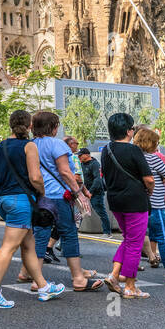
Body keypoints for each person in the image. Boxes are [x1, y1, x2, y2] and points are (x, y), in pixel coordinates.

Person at [0, 111, 64, 307]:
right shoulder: (29, 146)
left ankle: (43, 287)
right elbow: (35, 177)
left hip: (1, 200)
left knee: (28, 245)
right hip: (20, 200)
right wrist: (42, 193)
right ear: (30, 126)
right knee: (8, 247)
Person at [30, 111, 101, 292]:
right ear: (53, 127)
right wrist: (79, 193)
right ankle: (78, 278)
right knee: (69, 234)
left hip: (40, 197)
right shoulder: (57, 144)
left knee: (40, 236)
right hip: (59, 197)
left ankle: (36, 280)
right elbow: (64, 171)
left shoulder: (30, 145)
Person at [101, 112, 154, 299]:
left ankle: (114, 276)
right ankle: (130, 286)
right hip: (135, 201)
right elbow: (148, 179)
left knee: (129, 238)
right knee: (135, 243)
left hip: (115, 200)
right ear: (129, 131)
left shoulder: (106, 150)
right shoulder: (134, 151)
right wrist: (150, 191)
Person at [134, 127, 165, 282]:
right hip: (155, 204)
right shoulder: (153, 158)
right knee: (164, 238)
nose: (157, 144)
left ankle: (121, 272)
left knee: (134, 238)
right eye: (156, 142)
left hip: (137, 204)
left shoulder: (133, 158)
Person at [77, 148, 114, 238]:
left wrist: (90, 192)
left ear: (87, 155)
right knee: (81, 212)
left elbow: (97, 180)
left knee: (101, 212)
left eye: (80, 155)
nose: (79, 157)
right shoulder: (81, 164)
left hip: (95, 193)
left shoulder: (95, 164)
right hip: (84, 192)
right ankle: (74, 231)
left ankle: (107, 232)